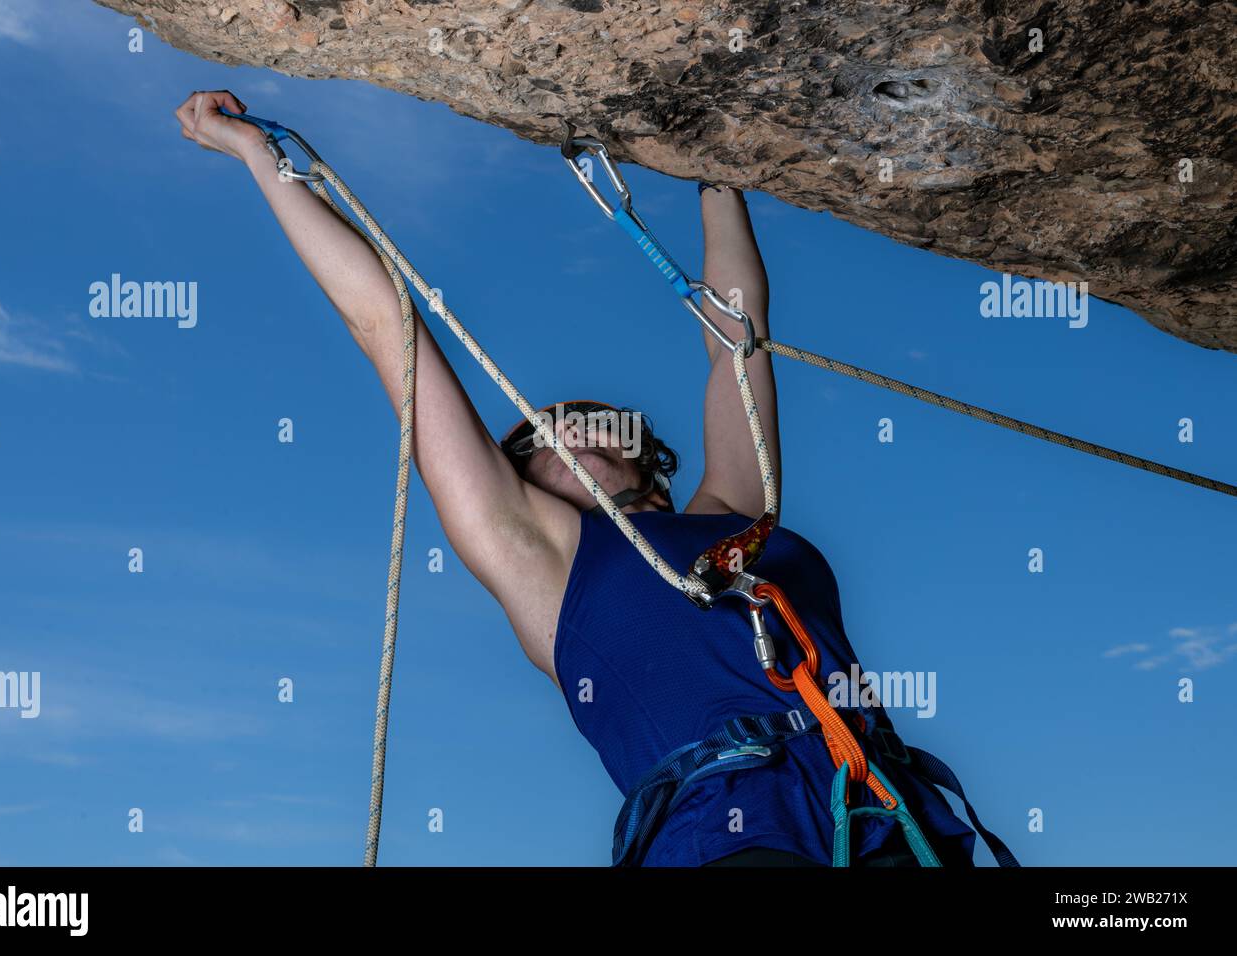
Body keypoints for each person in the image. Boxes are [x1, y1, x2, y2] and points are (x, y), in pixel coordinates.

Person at [175, 90, 984, 867]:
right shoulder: (539, 558)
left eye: (598, 422)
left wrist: (719, 174)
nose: (570, 429)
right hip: (724, 826)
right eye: (540, 435)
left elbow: (737, 334)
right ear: (519, 479)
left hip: (887, 807)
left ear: (647, 466)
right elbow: (388, 326)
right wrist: (254, 152)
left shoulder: (734, 512)